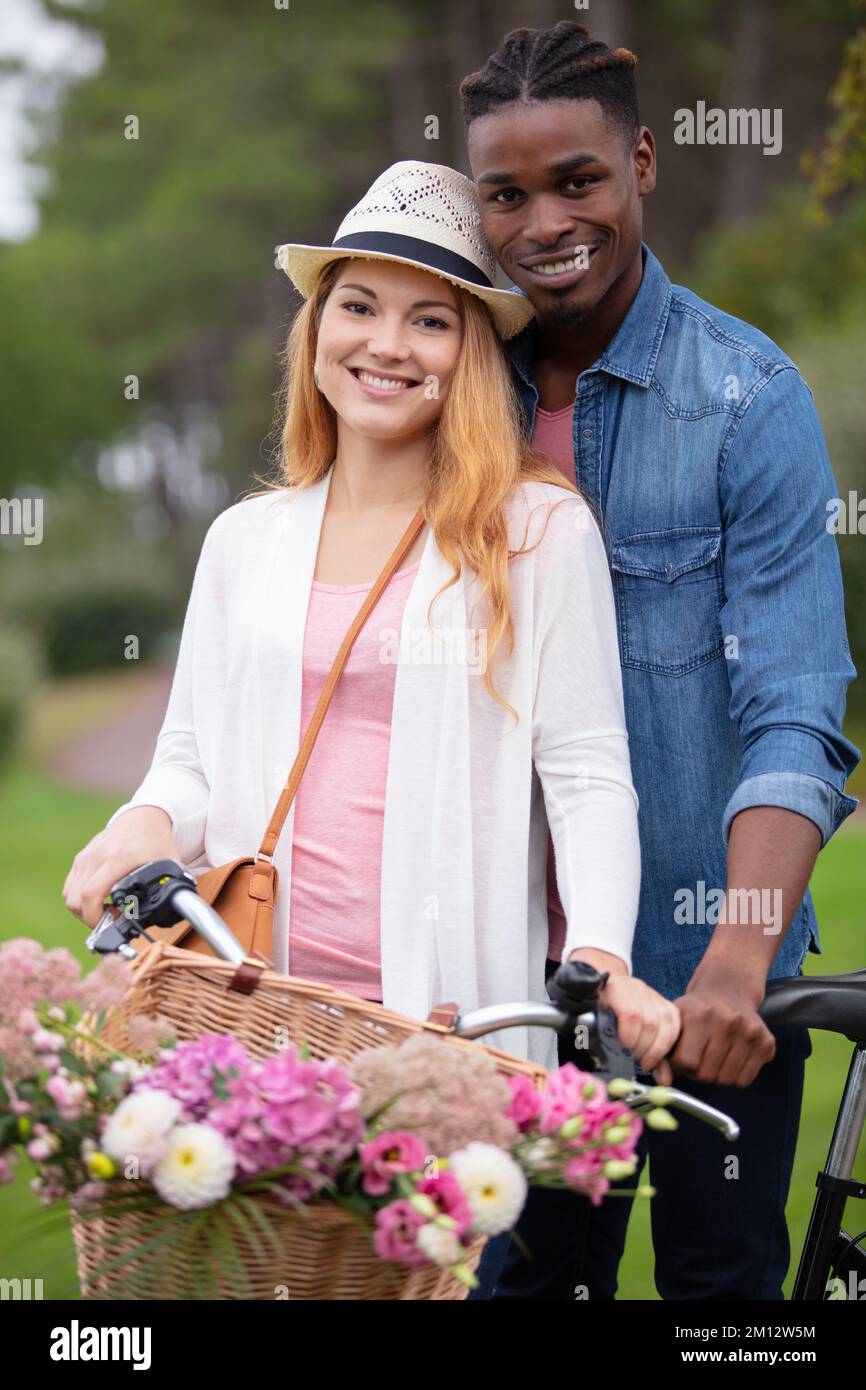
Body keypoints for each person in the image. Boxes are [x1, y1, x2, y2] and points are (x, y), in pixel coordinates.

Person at [62, 159, 680, 1077]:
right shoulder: (244, 540)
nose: (386, 345)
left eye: (429, 320)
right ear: (316, 329)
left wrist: (600, 959)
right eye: (358, 307)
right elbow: (191, 755)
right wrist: (148, 818)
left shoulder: (536, 534)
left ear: (466, 353)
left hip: (442, 1020)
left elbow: (587, 774)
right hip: (247, 1005)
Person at [461, 20, 861, 1299]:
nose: (541, 223)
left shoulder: (747, 398)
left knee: (720, 1292)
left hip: (706, 986)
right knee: (519, 1287)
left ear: (640, 163)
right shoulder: (452, 393)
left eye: (575, 181)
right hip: (510, 990)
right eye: (505, 194)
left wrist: (736, 957)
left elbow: (796, 707)